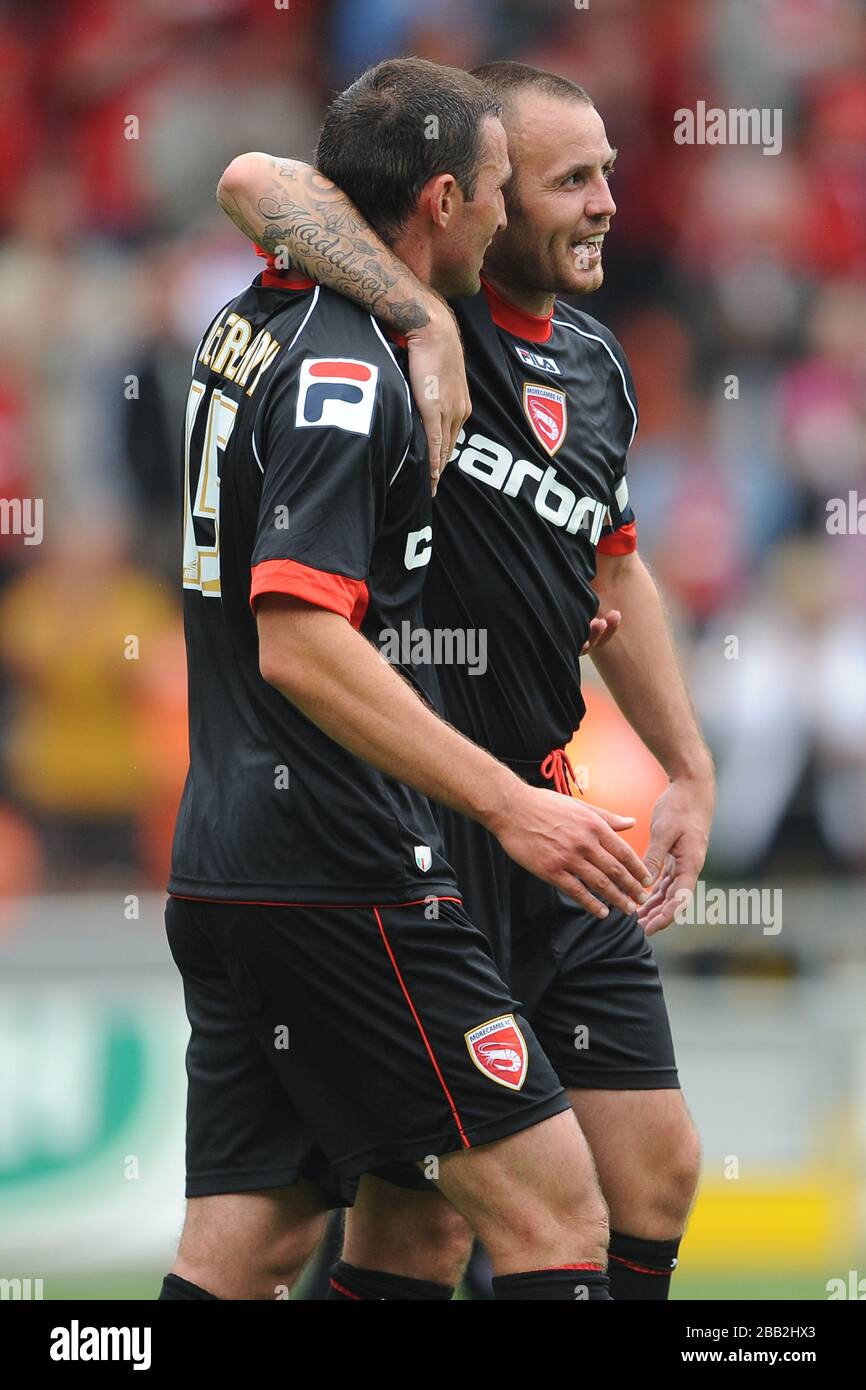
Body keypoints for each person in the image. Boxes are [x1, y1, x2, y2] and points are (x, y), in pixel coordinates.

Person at [218, 60, 715, 1301]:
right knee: (431, 1224)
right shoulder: (403, 307)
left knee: (653, 1172)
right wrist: (427, 317)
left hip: (554, 819)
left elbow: (618, 562)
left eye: (608, 171)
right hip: (422, 824)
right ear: (472, 197)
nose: (605, 202)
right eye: (565, 180)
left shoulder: (597, 366)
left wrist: (687, 764)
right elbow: (253, 178)